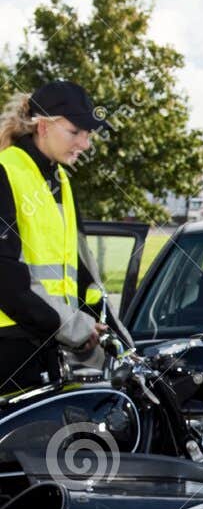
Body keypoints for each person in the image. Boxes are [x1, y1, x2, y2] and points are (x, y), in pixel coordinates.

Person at [0, 81, 111, 396]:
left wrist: (105, 326)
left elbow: (79, 268)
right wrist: (75, 327)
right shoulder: (5, 171)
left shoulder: (60, 178)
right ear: (44, 125)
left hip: (48, 343)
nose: (85, 143)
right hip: (9, 349)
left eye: (89, 134)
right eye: (76, 132)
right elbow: (6, 278)